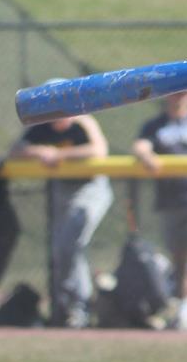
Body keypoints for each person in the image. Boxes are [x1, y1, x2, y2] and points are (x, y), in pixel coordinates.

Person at [7, 106, 112, 327]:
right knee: (61, 250)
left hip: (89, 188)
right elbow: (15, 150)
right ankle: (67, 307)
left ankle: (80, 306)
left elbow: (99, 150)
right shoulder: (42, 125)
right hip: (61, 190)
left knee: (70, 245)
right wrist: (38, 151)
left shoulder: (83, 121)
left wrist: (59, 154)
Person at [131, 89, 187, 329]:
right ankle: (184, 307)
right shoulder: (155, 125)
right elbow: (140, 147)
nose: (179, 97)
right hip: (171, 199)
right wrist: (145, 155)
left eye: (184, 93)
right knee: (179, 257)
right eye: (175, 93)